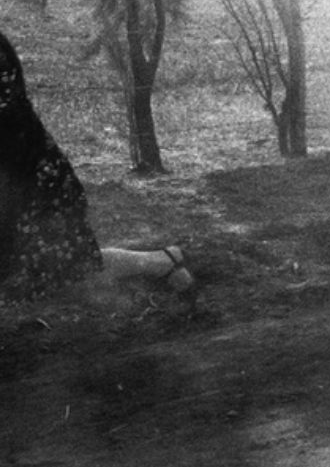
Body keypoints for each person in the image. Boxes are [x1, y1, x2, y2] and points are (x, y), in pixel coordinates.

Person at [0, 30, 194, 302]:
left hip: (36, 184)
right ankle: (160, 262)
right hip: (16, 183)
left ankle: (159, 262)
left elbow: (8, 117)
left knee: (65, 276)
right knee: (44, 277)